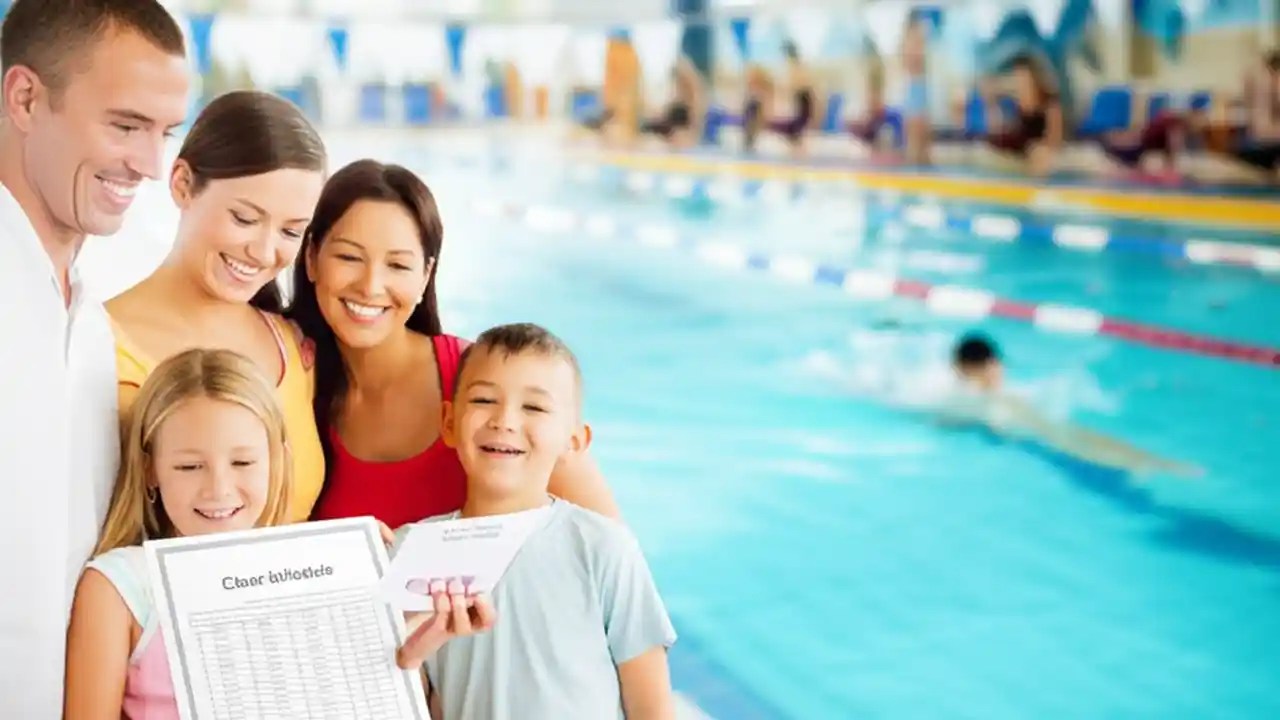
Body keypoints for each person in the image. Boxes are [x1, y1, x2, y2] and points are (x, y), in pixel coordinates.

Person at [62, 349, 493, 717]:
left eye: (244, 463)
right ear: (150, 469)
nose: (218, 489)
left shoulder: (318, 569)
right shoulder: (120, 586)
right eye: (189, 466)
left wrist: (407, 649)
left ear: (277, 461)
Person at [0, 1, 189, 714]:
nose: (149, 164)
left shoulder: (92, 315)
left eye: (165, 132)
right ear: (26, 98)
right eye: (125, 125)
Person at [288, 160, 621, 529]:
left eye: (397, 265)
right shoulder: (291, 381)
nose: (370, 286)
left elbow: (607, 539)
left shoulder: (483, 384)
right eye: (349, 257)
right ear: (311, 258)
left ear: (425, 276)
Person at [399, 323, 676, 719]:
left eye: (534, 407)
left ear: (574, 441)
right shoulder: (415, 550)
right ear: (448, 423)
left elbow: (652, 708)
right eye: (483, 400)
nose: (505, 420)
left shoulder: (602, 547)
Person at [106, 90, 328, 522]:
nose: (264, 252)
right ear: (182, 185)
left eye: (291, 231)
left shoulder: (295, 349)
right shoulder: (99, 347)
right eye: (244, 219)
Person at [946, 333, 1198, 477]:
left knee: (1067, 437)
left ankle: (1148, 462)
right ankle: (1155, 462)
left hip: (1027, 421)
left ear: (965, 367)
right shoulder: (1019, 388)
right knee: (1072, 434)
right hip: (1037, 418)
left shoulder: (988, 397)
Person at [981, 55, 1063, 176]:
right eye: (1018, 78)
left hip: (1040, 148)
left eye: (1023, 78)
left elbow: (1054, 138)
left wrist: (1040, 149)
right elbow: (1003, 130)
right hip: (1022, 146)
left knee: (1040, 155)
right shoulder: (1018, 101)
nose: (1019, 82)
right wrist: (991, 103)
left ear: (1034, 79)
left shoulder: (1050, 103)